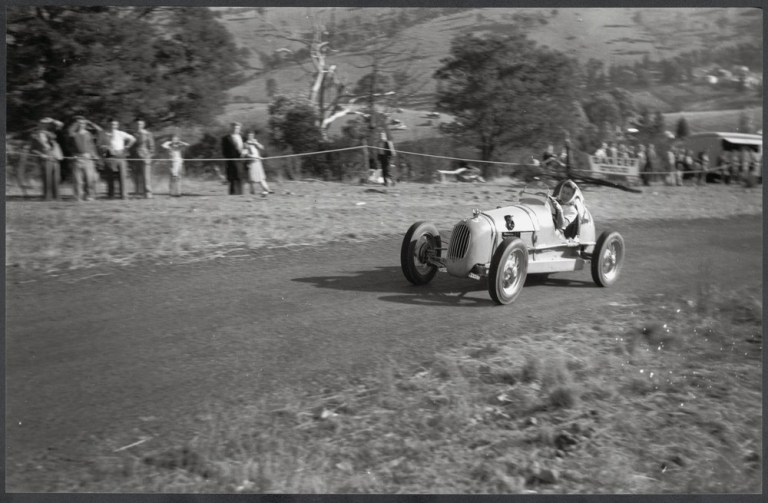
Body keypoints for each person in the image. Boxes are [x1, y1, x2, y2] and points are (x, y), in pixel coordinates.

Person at [67, 115, 102, 201]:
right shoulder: (73, 134)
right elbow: (70, 130)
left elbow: (100, 131)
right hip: (77, 158)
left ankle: (89, 196)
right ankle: (78, 196)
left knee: (89, 179)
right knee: (77, 179)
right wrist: (77, 123)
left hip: (88, 158)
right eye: (79, 123)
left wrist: (90, 122)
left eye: (82, 123)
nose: (81, 125)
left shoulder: (88, 133)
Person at [99, 119, 136, 199]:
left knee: (122, 176)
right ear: (108, 124)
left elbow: (133, 139)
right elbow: (99, 144)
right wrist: (105, 147)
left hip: (120, 155)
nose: (113, 126)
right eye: (111, 124)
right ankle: (111, 195)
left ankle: (124, 195)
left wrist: (127, 146)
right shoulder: (103, 133)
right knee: (110, 176)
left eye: (115, 124)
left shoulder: (120, 133)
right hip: (109, 155)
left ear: (117, 125)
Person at [29, 118, 64, 200]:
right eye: (42, 123)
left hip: (55, 156)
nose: (44, 125)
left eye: (46, 123)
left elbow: (61, 125)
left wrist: (53, 120)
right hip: (45, 158)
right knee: (47, 178)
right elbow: (32, 149)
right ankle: (47, 197)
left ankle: (57, 197)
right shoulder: (35, 135)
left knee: (56, 178)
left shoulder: (51, 133)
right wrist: (41, 154)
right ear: (39, 124)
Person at [241, 131, 273, 196]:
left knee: (261, 177)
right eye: (249, 135)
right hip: (251, 163)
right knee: (252, 179)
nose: (251, 137)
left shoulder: (255, 142)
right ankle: (252, 192)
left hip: (258, 162)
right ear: (247, 136)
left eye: (252, 135)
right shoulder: (246, 144)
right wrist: (255, 157)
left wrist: (256, 143)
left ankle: (267, 189)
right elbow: (245, 154)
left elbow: (262, 147)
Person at [130, 119, 156, 199]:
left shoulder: (148, 134)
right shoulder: (132, 134)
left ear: (143, 125)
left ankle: (148, 193)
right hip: (134, 157)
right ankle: (138, 192)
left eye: (140, 124)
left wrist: (148, 156)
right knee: (136, 176)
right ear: (134, 125)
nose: (139, 126)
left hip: (145, 157)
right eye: (137, 124)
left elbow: (152, 147)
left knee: (146, 176)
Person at [222, 122, 245, 195]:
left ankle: (240, 193)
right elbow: (224, 151)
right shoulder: (226, 138)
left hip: (241, 159)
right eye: (234, 128)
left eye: (237, 128)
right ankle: (233, 193)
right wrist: (229, 159)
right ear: (231, 128)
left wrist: (245, 152)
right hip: (232, 160)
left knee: (240, 176)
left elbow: (246, 146)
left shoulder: (242, 137)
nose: (236, 129)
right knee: (232, 176)